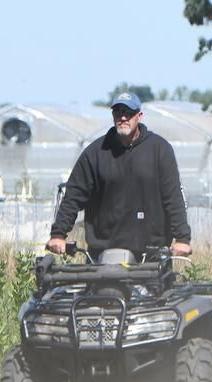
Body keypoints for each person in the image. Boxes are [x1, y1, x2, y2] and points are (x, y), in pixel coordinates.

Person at [47, 92, 191, 258]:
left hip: (152, 254)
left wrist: (182, 238)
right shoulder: (96, 153)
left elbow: (173, 197)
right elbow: (74, 195)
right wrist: (58, 234)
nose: (123, 117)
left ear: (139, 116)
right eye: (118, 112)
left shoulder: (159, 149)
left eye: (128, 113)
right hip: (103, 254)